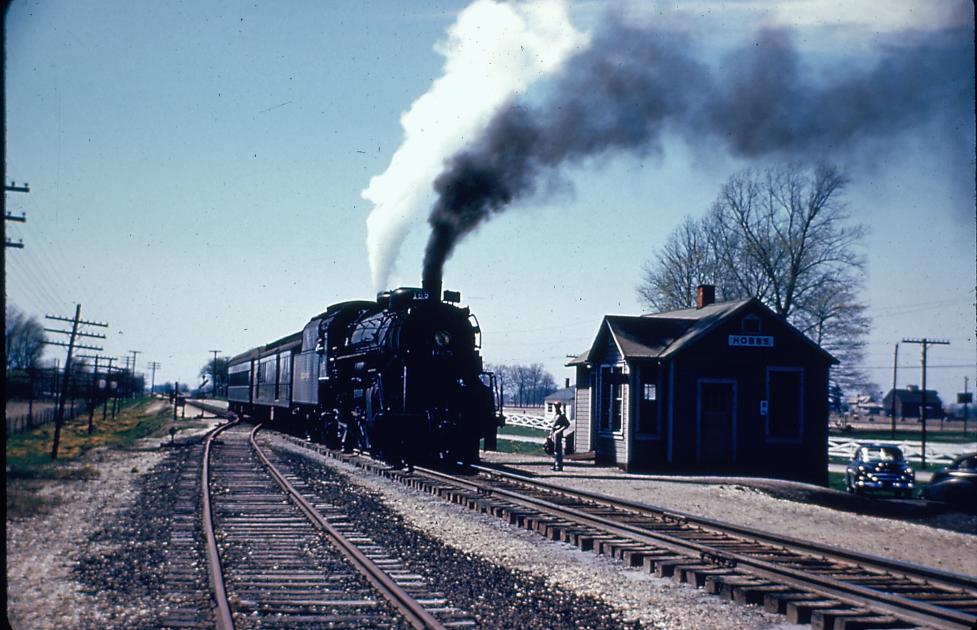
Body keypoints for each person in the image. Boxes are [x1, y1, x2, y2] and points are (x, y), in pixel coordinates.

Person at [549, 402, 570, 471]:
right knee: (553, 450)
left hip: (558, 434)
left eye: (556, 406)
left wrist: (560, 430)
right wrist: (550, 434)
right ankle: (555, 465)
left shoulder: (562, 415)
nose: (555, 408)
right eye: (555, 406)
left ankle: (559, 466)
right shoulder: (556, 415)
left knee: (558, 450)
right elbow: (553, 426)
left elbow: (567, 424)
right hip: (553, 433)